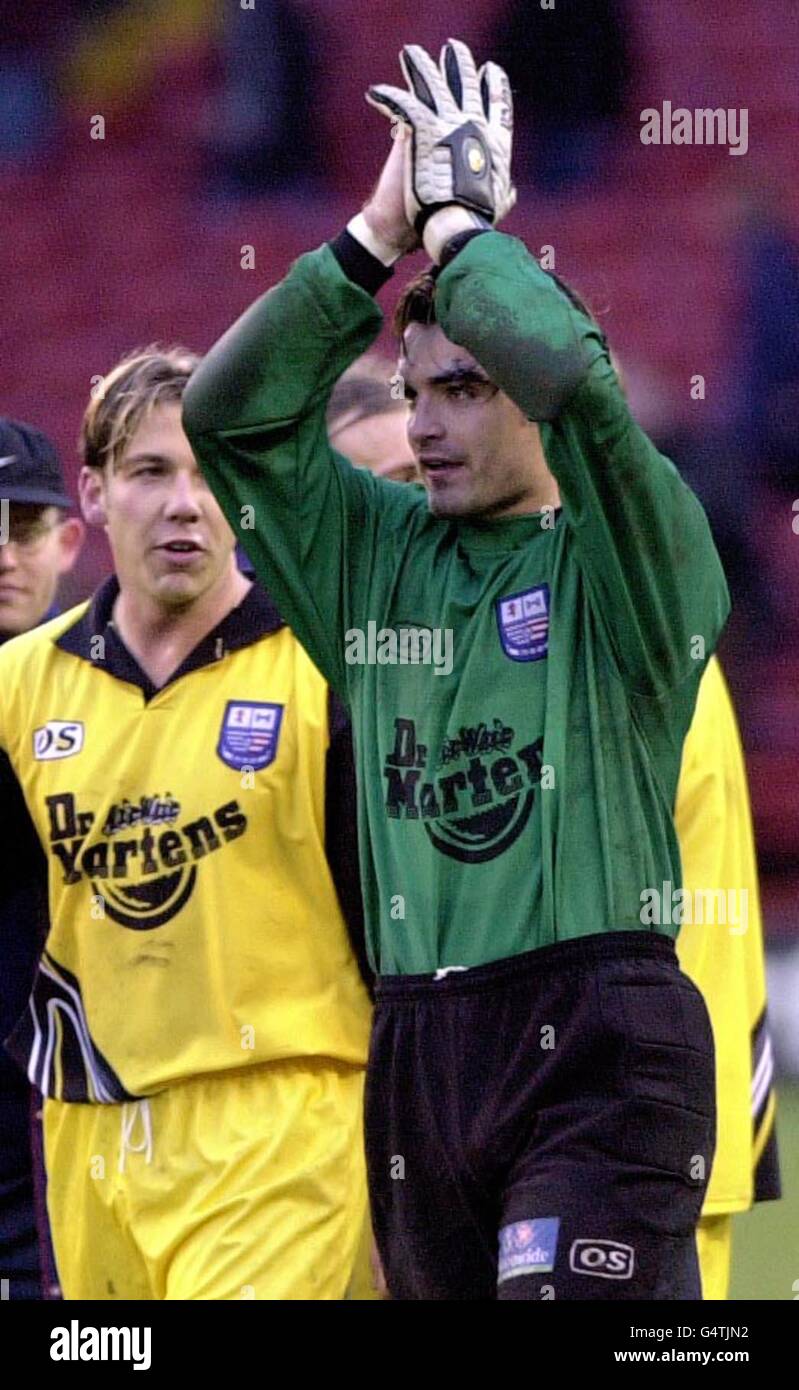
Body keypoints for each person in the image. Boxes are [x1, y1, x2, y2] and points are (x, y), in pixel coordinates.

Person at [183, 41, 730, 1299]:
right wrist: (378, 233)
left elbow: (581, 385)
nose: (425, 424)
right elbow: (229, 418)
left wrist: (463, 225)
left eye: (468, 390)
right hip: (419, 1043)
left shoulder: (631, 554)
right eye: (416, 391)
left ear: (531, 396)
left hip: (597, 1027)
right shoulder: (379, 562)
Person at [329, 366, 781, 1299]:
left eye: (409, 491)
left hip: (630, 1125)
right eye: (374, 502)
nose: (405, 523)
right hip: (536, 1131)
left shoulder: (606, 644)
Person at [0, 348, 372, 1300]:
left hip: (283, 1129)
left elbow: (396, 945)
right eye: (151, 471)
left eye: (212, 474)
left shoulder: (324, 668)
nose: (185, 504)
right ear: (93, 491)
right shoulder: (18, 689)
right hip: (87, 1138)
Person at [0, 420, 84, 1301]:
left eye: (20, 526)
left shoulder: (119, 690)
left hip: (68, 1122)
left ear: (65, 538)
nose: (3, 555)